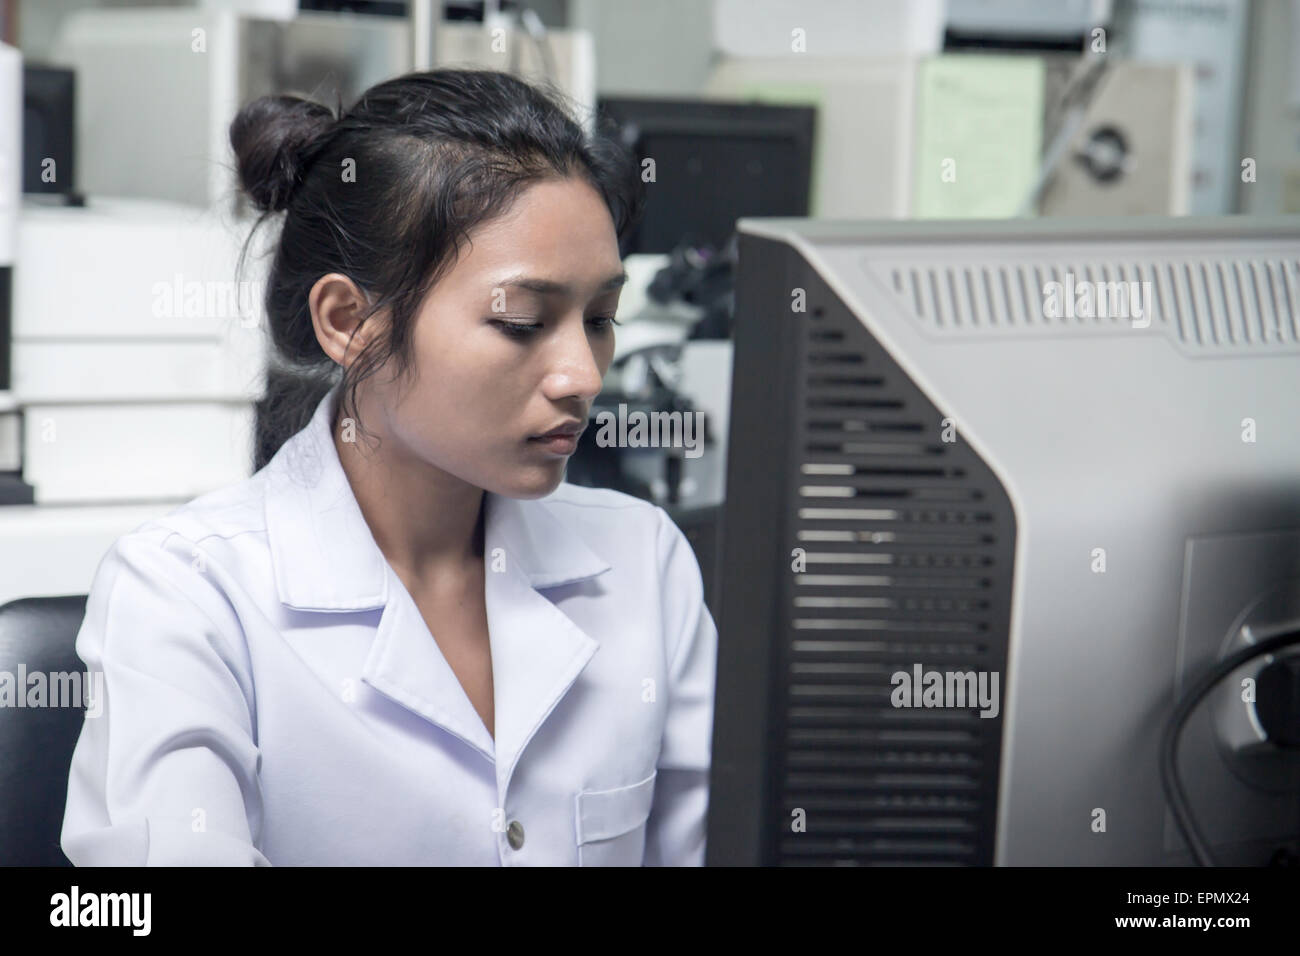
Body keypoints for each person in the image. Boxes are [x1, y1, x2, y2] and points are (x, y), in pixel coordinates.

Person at [60, 68, 717, 866]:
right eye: (521, 321)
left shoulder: (642, 562)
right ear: (349, 322)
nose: (582, 373)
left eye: (600, 319)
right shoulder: (188, 594)